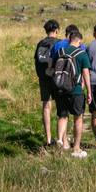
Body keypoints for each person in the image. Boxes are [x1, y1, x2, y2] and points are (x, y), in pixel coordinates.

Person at [49, 24, 92, 157]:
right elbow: (86, 74)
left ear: (69, 39)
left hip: (60, 88)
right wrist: (89, 92)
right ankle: (77, 148)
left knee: (62, 116)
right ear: (79, 41)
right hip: (76, 90)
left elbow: (53, 68)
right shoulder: (82, 54)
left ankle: (61, 141)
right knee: (78, 118)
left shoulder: (60, 52)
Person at [33, 19, 61, 149]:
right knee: (61, 107)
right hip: (57, 78)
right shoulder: (59, 43)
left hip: (43, 78)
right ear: (56, 30)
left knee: (46, 106)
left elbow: (36, 63)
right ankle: (61, 138)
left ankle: (48, 139)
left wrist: (41, 76)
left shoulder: (40, 44)